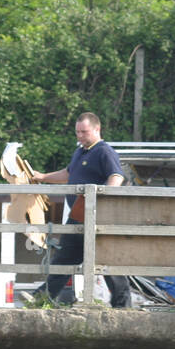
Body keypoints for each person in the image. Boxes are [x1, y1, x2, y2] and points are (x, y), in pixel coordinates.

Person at [29, 112, 128, 307]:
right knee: (63, 260)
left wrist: (103, 202)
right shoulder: (80, 152)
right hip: (77, 217)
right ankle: (41, 299)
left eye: (84, 132)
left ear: (97, 129)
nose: (80, 136)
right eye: (77, 132)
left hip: (96, 217)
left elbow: (116, 177)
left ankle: (123, 307)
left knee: (107, 263)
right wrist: (42, 177)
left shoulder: (104, 151)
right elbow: (67, 174)